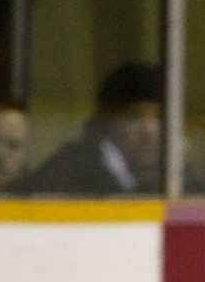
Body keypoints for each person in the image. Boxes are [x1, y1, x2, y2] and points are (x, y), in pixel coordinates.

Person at [20, 62, 162, 195]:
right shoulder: (69, 168)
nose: (149, 131)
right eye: (135, 117)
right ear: (107, 119)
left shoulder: (166, 174)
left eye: (159, 117)